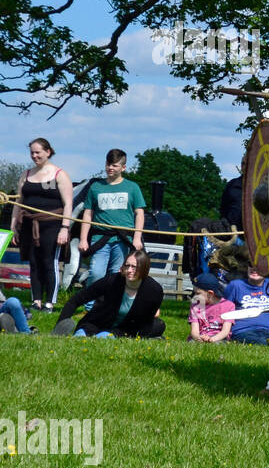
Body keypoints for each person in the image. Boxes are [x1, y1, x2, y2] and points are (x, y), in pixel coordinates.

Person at [11, 138, 74, 311]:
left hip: (52, 225)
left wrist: (65, 228)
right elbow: (18, 203)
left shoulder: (59, 174)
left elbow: (68, 204)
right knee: (33, 262)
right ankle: (36, 300)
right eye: (32, 152)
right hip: (29, 224)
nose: (34, 156)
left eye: (38, 152)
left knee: (49, 262)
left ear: (48, 152)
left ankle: (49, 302)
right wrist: (13, 228)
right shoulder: (26, 174)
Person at [53, 249, 165, 339]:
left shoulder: (154, 291)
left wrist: (141, 338)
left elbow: (146, 322)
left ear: (144, 268)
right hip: (95, 323)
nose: (129, 270)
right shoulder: (112, 281)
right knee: (80, 338)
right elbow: (76, 300)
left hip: (123, 330)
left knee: (102, 338)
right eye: (127, 265)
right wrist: (60, 326)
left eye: (134, 267)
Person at [77, 149, 145, 294]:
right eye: (108, 164)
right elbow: (87, 214)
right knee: (96, 272)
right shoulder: (95, 187)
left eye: (114, 165)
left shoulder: (132, 187)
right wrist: (83, 239)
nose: (110, 168)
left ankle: (111, 307)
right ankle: (90, 306)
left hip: (123, 239)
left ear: (123, 167)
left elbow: (139, 213)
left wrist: (137, 237)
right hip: (99, 238)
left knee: (117, 273)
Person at [223, 265, 269, 344]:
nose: (254, 269)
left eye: (258, 266)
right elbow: (224, 311)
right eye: (251, 265)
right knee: (261, 342)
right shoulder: (235, 285)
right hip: (243, 331)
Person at [189, 273, 235, 342]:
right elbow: (194, 331)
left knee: (219, 344)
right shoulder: (195, 306)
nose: (195, 296)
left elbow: (225, 331)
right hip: (201, 336)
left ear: (210, 294)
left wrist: (212, 339)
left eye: (198, 293)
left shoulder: (229, 306)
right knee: (192, 343)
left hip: (219, 338)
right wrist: (198, 337)